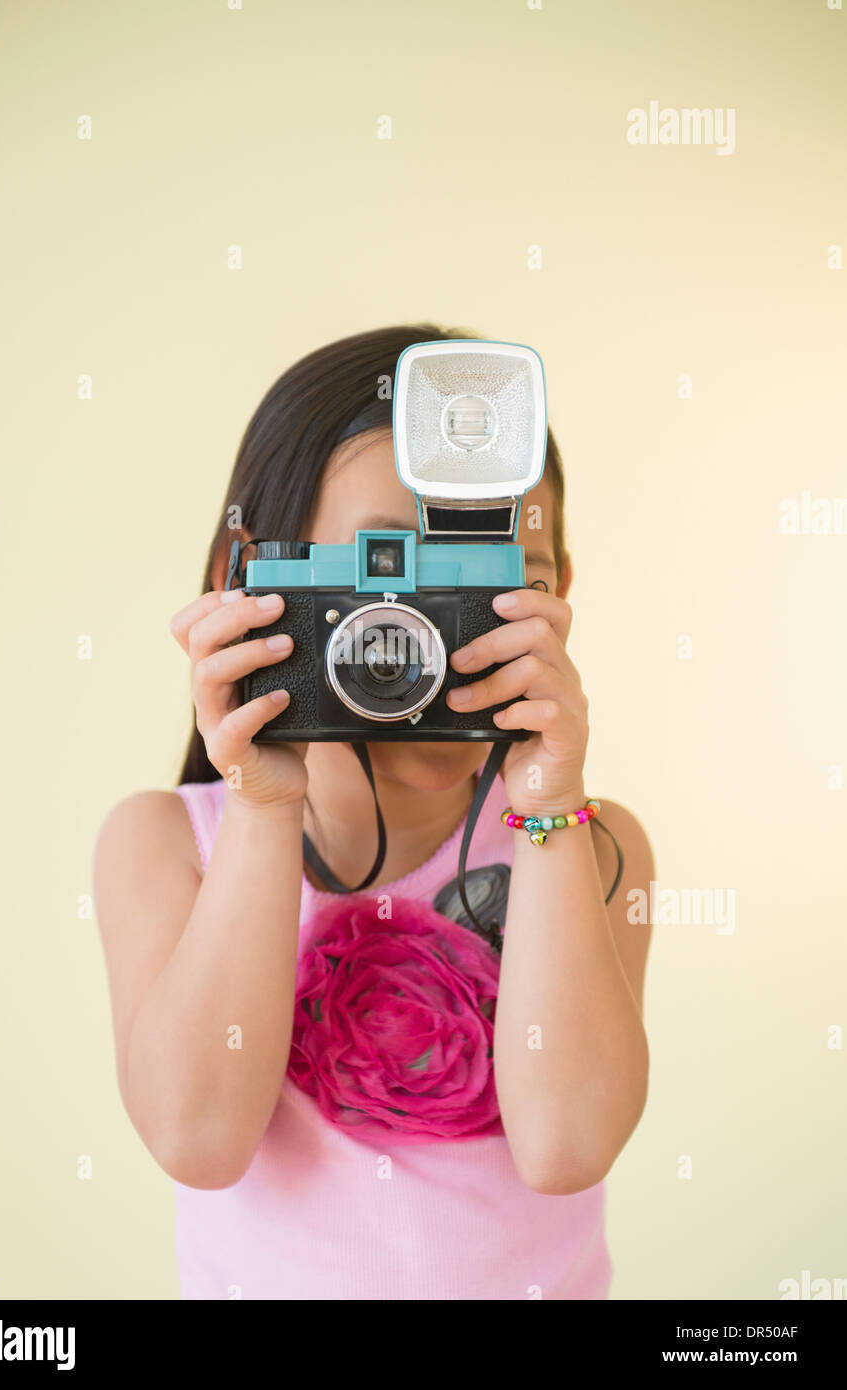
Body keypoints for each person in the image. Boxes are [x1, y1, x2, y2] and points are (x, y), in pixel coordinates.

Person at [93, 323, 654, 1300]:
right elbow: (198, 1136)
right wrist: (266, 804)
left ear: (557, 592)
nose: (431, 640)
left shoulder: (587, 845)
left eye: (494, 586)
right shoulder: (168, 843)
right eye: (390, 574)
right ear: (250, 580)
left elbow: (567, 1145)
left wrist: (548, 810)